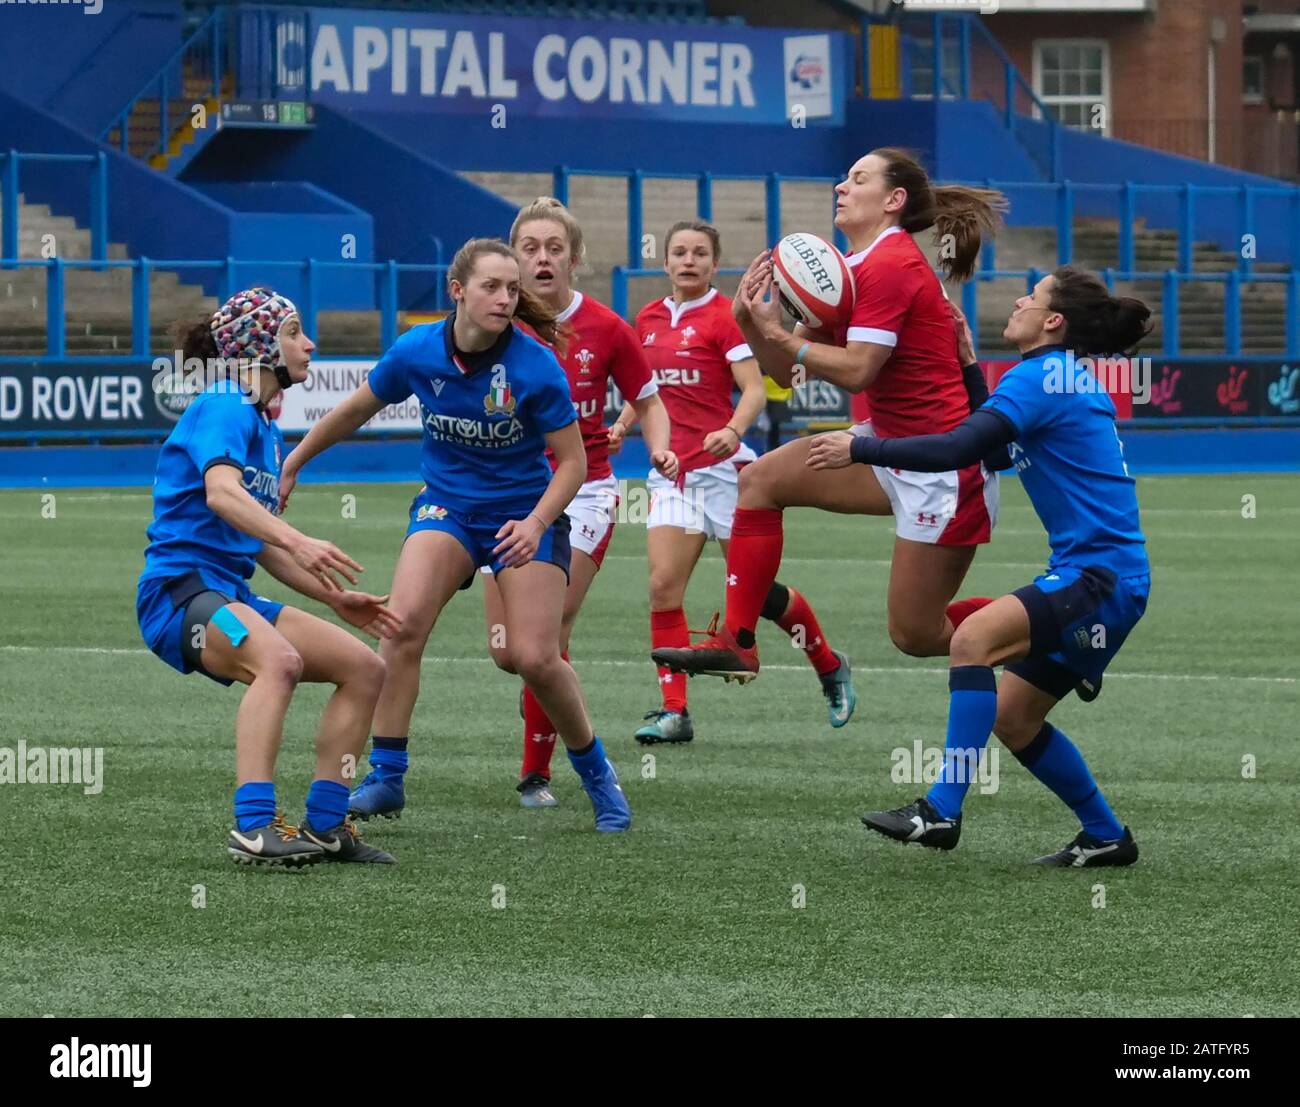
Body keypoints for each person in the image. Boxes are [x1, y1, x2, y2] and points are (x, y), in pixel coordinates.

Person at [279, 238, 632, 832]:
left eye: (512, 289)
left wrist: (538, 522)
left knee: (533, 657)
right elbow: (354, 409)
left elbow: (572, 464)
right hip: (446, 509)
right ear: (458, 290)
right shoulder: (418, 350)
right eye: (492, 286)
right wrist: (294, 462)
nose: (504, 298)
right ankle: (387, 777)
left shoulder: (534, 364)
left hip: (523, 515)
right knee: (402, 624)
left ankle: (599, 774)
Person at [813, 266, 1152, 866]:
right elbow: (993, 451)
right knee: (1014, 719)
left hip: (1099, 578)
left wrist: (859, 446)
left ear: (1053, 321)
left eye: (1033, 295)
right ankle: (1106, 835)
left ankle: (941, 811)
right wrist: (970, 365)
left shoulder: (1040, 375)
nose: (1018, 299)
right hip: (1108, 577)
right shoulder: (1056, 375)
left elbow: (957, 449)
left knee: (970, 640)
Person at [654, 150, 1008, 700]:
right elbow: (788, 374)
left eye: (858, 179)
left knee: (915, 634)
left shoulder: (891, 265)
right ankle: (738, 642)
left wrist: (783, 335)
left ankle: (1047, 625)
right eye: (844, 177)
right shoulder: (855, 267)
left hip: (944, 465)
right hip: (891, 448)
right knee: (759, 481)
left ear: (893, 201)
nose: (841, 186)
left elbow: (859, 371)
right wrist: (752, 321)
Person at [136, 287, 402, 867]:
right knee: (279, 662)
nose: (309, 343)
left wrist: (337, 599)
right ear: (259, 346)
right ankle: (254, 828)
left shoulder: (262, 426)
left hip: (228, 593)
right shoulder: (225, 403)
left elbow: (256, 543)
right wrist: (298, 538)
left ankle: (329, 824)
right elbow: (222, 495)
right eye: (294, 332)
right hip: (179, 595)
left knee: (364, 668)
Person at [612, 219, 856, 744]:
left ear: (713, 263)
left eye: (700, 253)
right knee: (661, 588)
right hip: (672, 476)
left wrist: (732, 429)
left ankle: (829, 664)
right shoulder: (648, 319)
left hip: (725, 473)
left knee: (760, 594)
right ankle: (673, 711)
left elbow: (752, 391)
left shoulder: (726, 317)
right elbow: (644, 391)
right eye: (678, 251)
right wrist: (622, 425)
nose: (688, 260)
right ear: (665, 262)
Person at [487, 198, 677, 808]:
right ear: (514, 257)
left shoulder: (607, 328)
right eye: (530, 247)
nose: (542, 258)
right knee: (507, 652)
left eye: (554, 248)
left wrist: (662, 451)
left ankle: (540, 774)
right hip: (508, 494)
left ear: (574, 258)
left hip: (587, 491)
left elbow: (649, 400)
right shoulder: (495, 323)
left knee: (542, 639)